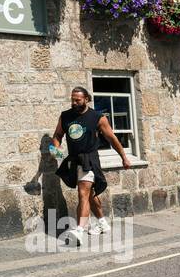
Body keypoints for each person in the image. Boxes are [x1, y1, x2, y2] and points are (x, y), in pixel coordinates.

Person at [50, 86, 132, 246]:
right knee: (90, 194)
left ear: (86, 99)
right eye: (72, 99)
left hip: (90, 159)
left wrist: (124, 157)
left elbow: (112, 139)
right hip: (74, 160)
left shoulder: (97, 117)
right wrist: (55, 150)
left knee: (83, 191)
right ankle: (103, 223)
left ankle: (79, 231)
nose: (74, 102)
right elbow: (57, 135)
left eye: (77, 100)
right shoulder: (65, 116)